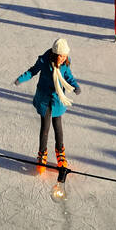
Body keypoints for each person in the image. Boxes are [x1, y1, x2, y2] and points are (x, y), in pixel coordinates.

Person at [14, 36, 81, 172]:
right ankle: (42, 154)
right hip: (44, 98)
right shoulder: (44, 61)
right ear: (55, 54)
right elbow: (33, 71)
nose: (63, 59)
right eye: (61, 56)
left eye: (64, 56)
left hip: (57, 99)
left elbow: (68, 76)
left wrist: (75, 86)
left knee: (58, 127)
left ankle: (60, 153)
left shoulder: (65, 63)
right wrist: (21, 78)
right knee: (45, 127)